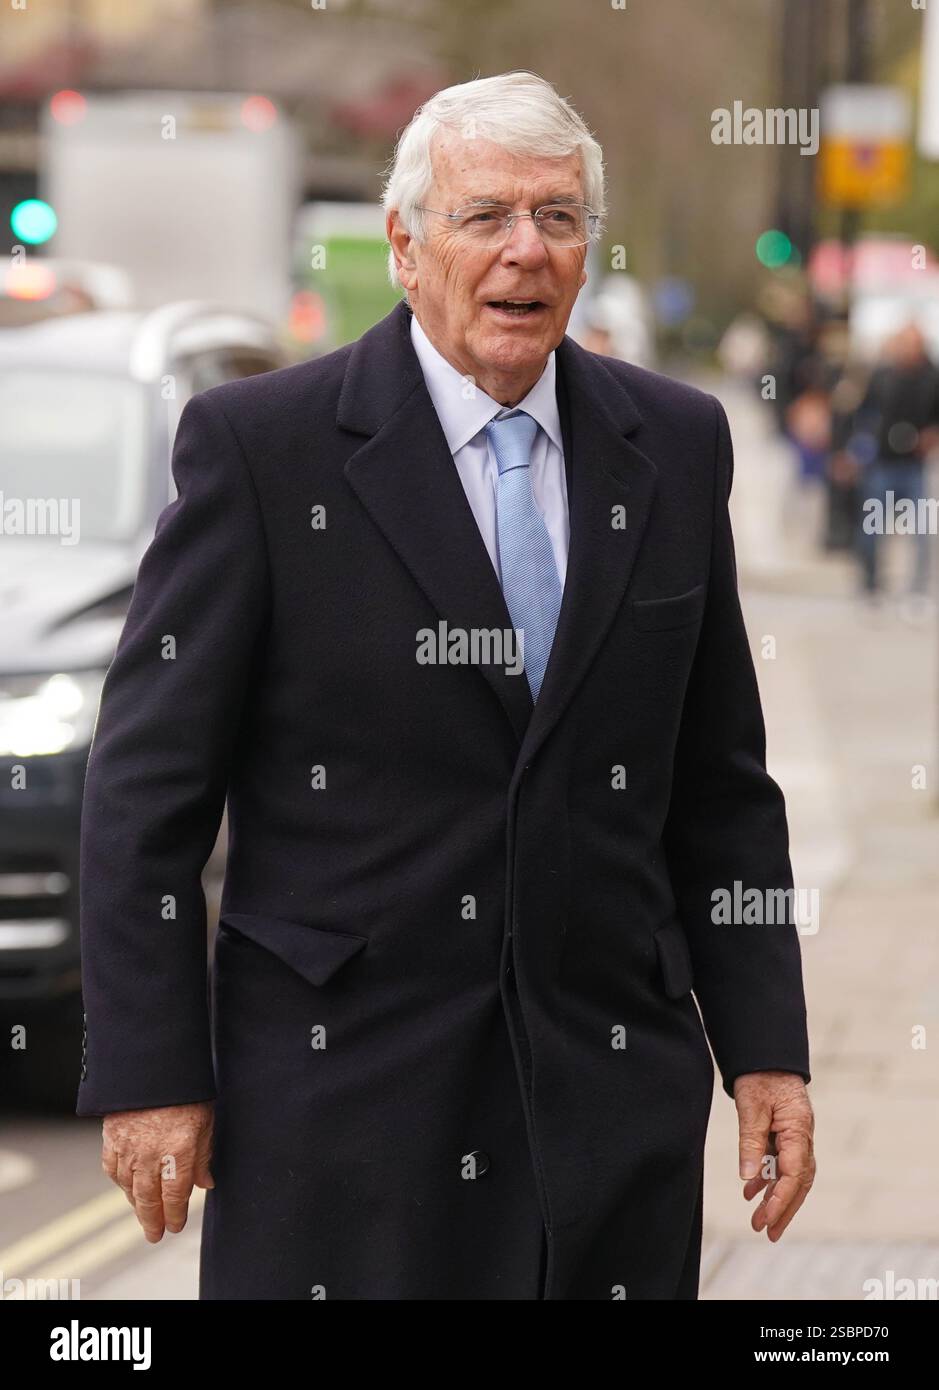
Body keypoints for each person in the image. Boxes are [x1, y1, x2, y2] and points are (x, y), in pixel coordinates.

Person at [77, 71, 814, 1301]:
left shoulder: (676, 445)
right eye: (486, 216)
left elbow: (722, 784)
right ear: (406, 242)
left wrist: (769, 1053)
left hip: (607, 1110)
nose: (527, 251)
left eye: (559, 217)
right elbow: (146, 788)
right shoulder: (264, 449)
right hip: (345, 1112)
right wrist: (153, 1069)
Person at [852, 323, 939, 604]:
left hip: (914, 465)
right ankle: (871, 584)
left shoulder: (932, 378)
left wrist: (931, 436)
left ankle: (917, 590)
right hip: (882, 463)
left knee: (922, 530)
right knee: (871, 529)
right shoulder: (882, 376)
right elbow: (862, 413)